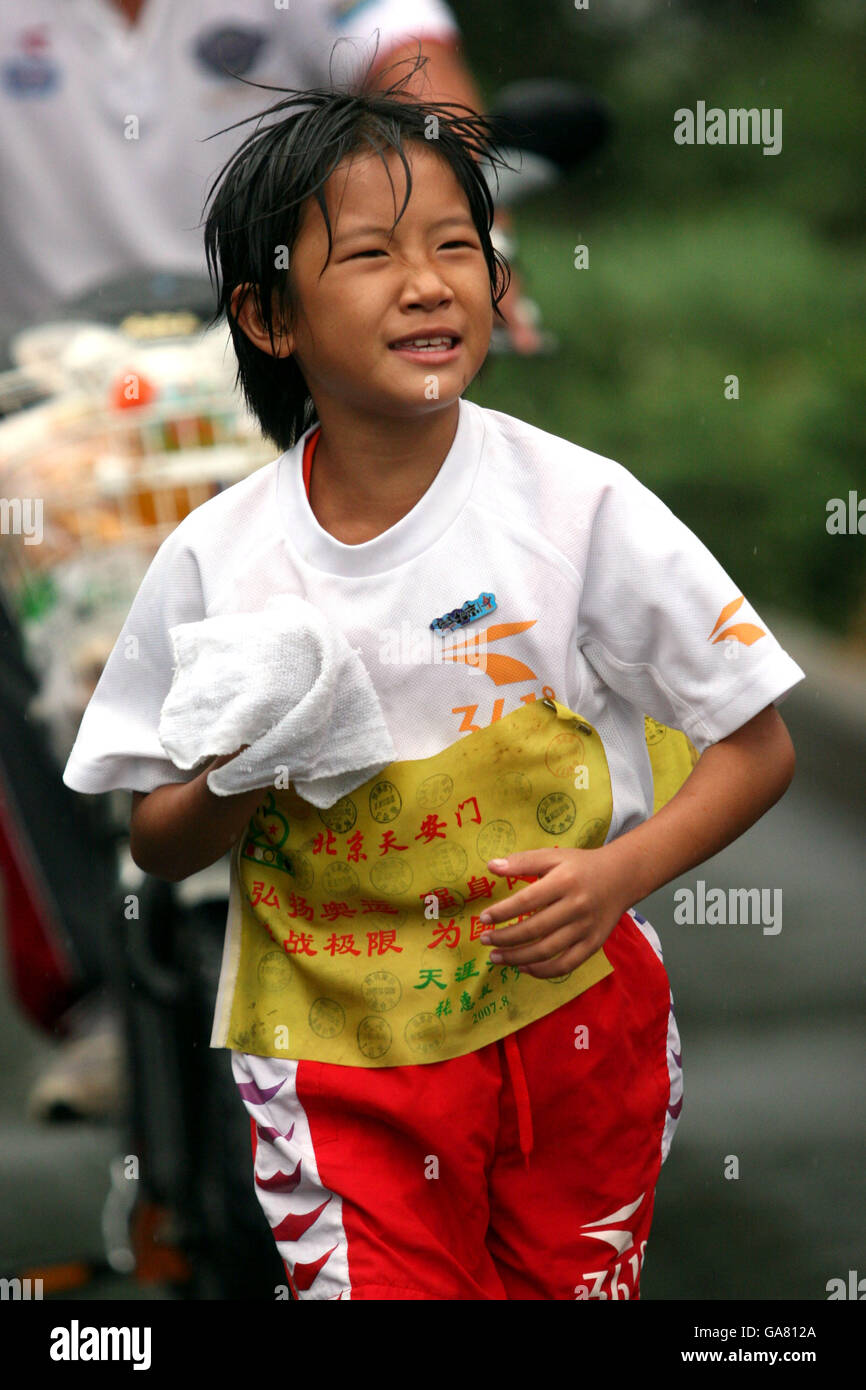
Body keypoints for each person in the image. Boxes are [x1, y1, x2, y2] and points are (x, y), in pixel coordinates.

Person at [62, 50, 805, 1300]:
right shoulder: (216, 560)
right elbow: (158, 838)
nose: (426, 282)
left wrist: (614, 876)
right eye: (368, 254)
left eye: (456, 246)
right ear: (269, 317)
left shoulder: (578, 506)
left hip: (574, 1038)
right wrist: (244, 772)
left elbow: (754, 742)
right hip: (342, 1062)